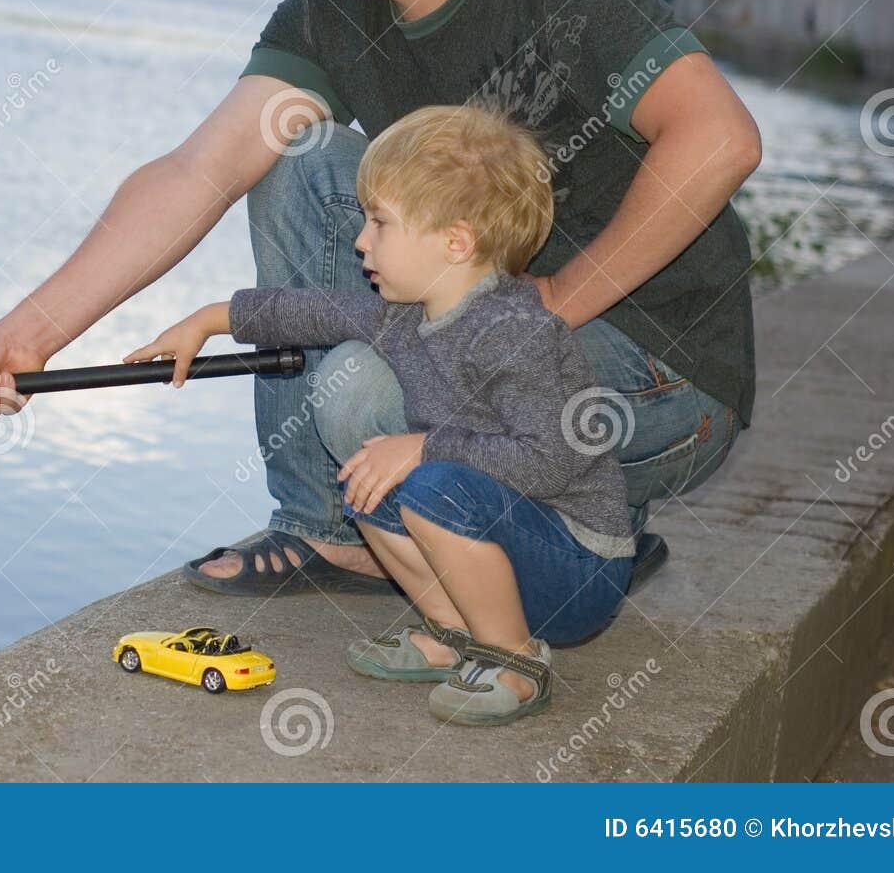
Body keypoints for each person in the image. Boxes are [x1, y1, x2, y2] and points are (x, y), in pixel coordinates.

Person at [0, 0, 760, 597]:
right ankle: (329, 531)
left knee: (364, 391)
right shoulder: (334, 8)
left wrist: (554, 303)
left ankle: (573, 533)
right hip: (488, 337)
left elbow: (721, 137)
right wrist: (26, 338)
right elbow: (197, 172)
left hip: (664, 372)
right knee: (300, 162)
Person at [125, 105, 631, 724]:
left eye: (380, 223)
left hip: (577, 566)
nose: (361, 240)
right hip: (498, 549)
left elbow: (551, 462)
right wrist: (206, 319)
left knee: (428, 479)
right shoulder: (404, 316)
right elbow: (309, 313)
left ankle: (516, 659)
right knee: (366, 480)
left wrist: (423, 448)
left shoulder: (513, 331)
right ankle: (453, 634)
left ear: (456, 241)